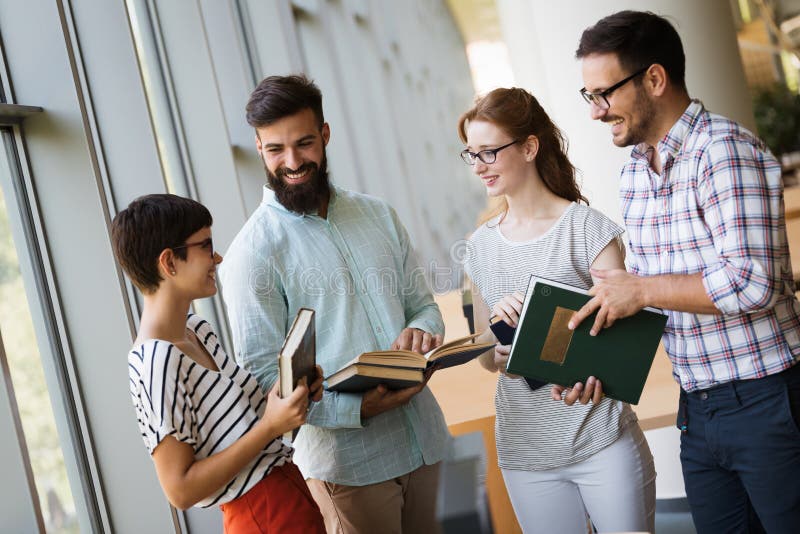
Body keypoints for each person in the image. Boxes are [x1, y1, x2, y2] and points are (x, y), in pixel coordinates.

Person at [569, 10, 800, 533]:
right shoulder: (634, 173)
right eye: (590, 97)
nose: (596, 112)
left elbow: (751, 281)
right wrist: (590, 363)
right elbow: (651, 297)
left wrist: (639, 288)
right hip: (697, 410)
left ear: (654, 79)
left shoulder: (723, 152)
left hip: (766, 403)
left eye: (604, 93)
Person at [218, 75, 450, 534]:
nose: (292, 162)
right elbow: (265, 376)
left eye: (304, 143)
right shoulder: (252, 252)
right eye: (275, 150)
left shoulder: (378, 213)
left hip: (428, 441)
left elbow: (422, 305)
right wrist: (356, 410)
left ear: (325, 134)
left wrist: (422, 329)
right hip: (349, 469)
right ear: (259, 148)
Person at [459, 87, 655, 533]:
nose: (478, 167)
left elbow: (625, 344)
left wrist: (560, 342)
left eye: (488, 152)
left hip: (600, 439)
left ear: (529, 147)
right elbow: (484, 354)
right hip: (526, 453)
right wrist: (499, 344)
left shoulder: (589, 230)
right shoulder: (477, 249)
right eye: (470, 154)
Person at [112, 194, 326, 533]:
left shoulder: (197, 330)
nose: (218, 258)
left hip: (287, 495)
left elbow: (244, 429)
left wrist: (290, 391)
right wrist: (269, 427)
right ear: (169, 263)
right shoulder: (156, 362)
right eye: (205, 247)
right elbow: (180, 489)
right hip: (261, 517)